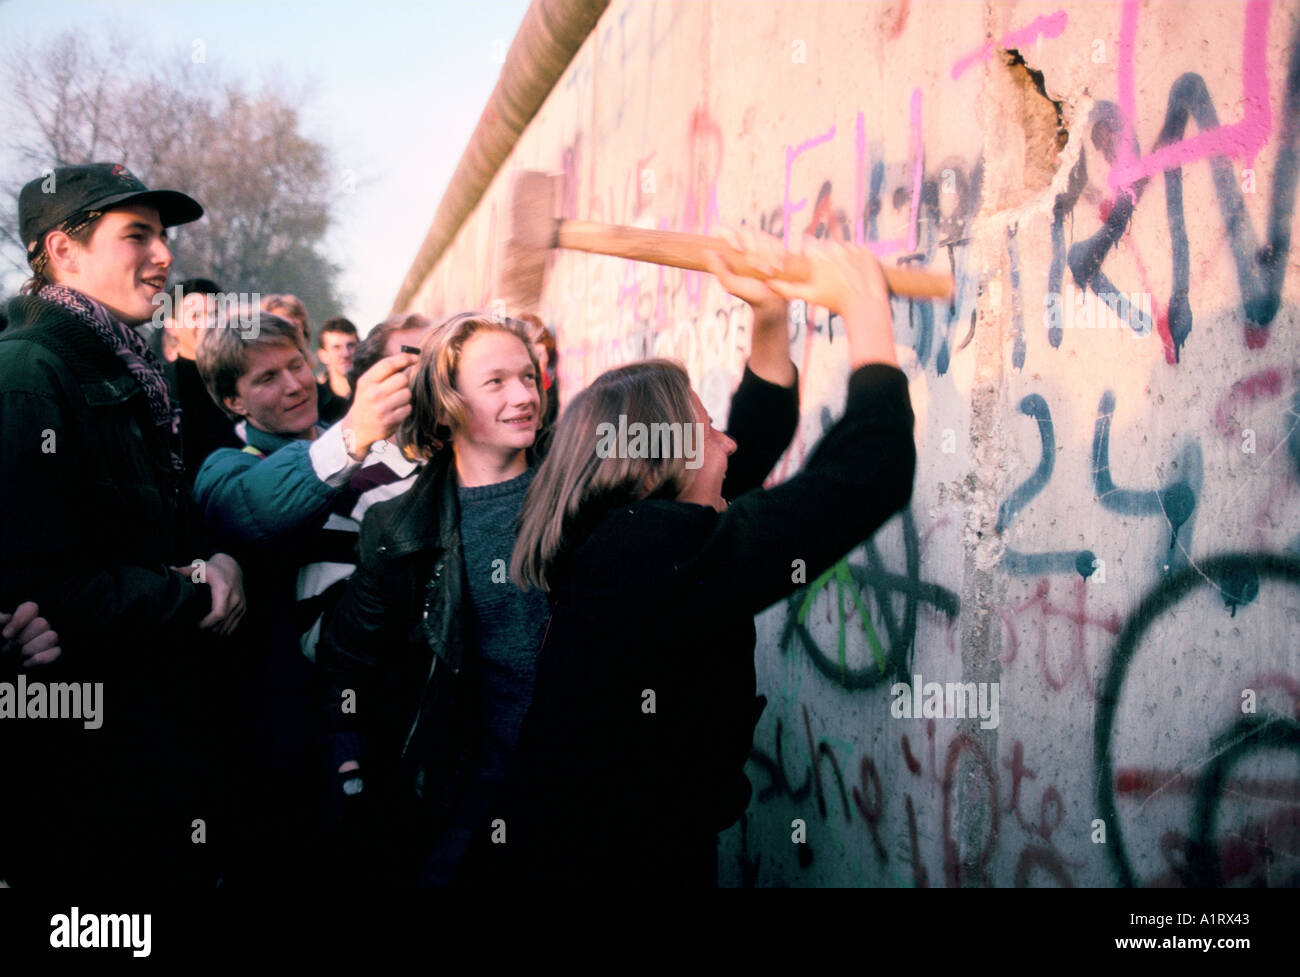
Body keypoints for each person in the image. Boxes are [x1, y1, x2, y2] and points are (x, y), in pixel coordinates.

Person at [498, 236, 916, 885]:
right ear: (650, 467)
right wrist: (865, 312)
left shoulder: (627, 538)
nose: (722, 440)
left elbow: (748, 443)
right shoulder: (647, 555)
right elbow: (868, 475)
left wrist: (769, 314)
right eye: (703, 431)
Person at [0, 162, 245, 887]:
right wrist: (196, 596)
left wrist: (216, 559)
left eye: (162, 236)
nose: (164, 255)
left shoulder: (127, 365)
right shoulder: (29, 374)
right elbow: (44, 592)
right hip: (80, 779)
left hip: (148, 743)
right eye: (137, 234)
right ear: (64, 252)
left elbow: (154, 525)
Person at [316, 311, 554, 886]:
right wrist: (350, 764)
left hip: (576, 792)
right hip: (460, 805)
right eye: (495, 382)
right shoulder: (399, 531)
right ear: (447, 403)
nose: (523, 395)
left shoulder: (580, 493)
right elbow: (347, 664)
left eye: (527, 377)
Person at [191, 309, 414, 884]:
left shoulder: (370, 444)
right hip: (283, 747)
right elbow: (254, 508)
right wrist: (351, 440)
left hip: (384, 717)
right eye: (265, 378)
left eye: (296, 364)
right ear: (232, 402)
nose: (293, 384)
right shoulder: (224, 469)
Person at [156, 277, 242, 481]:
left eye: (214, 315)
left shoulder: (244, 377)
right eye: (195, 316)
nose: (207, 324)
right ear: (171, 326)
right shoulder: (159, 385)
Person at [317, 315, 359, 407]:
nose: (345, 354)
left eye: (351, 345)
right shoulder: (317, 402)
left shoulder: (372, 391)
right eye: (336, 347)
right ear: (323, 356)